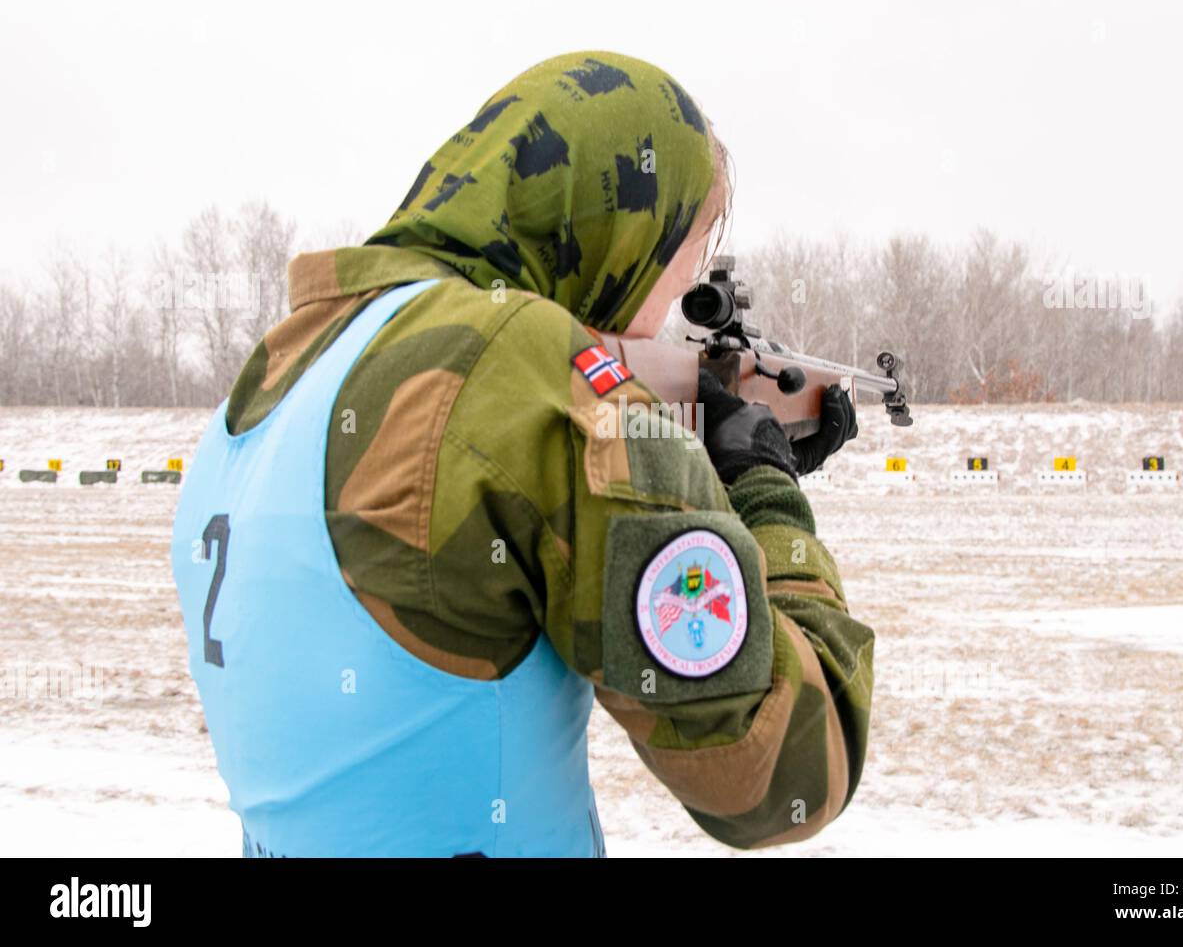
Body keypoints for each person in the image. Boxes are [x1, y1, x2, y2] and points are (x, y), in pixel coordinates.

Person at [170, 50, 874, 857]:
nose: (657, 331)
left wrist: (688, 483)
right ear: (619, 234)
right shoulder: (526, 362)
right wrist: (765, 493)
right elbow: (784, 774)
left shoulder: (277, 373)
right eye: (672, 280)